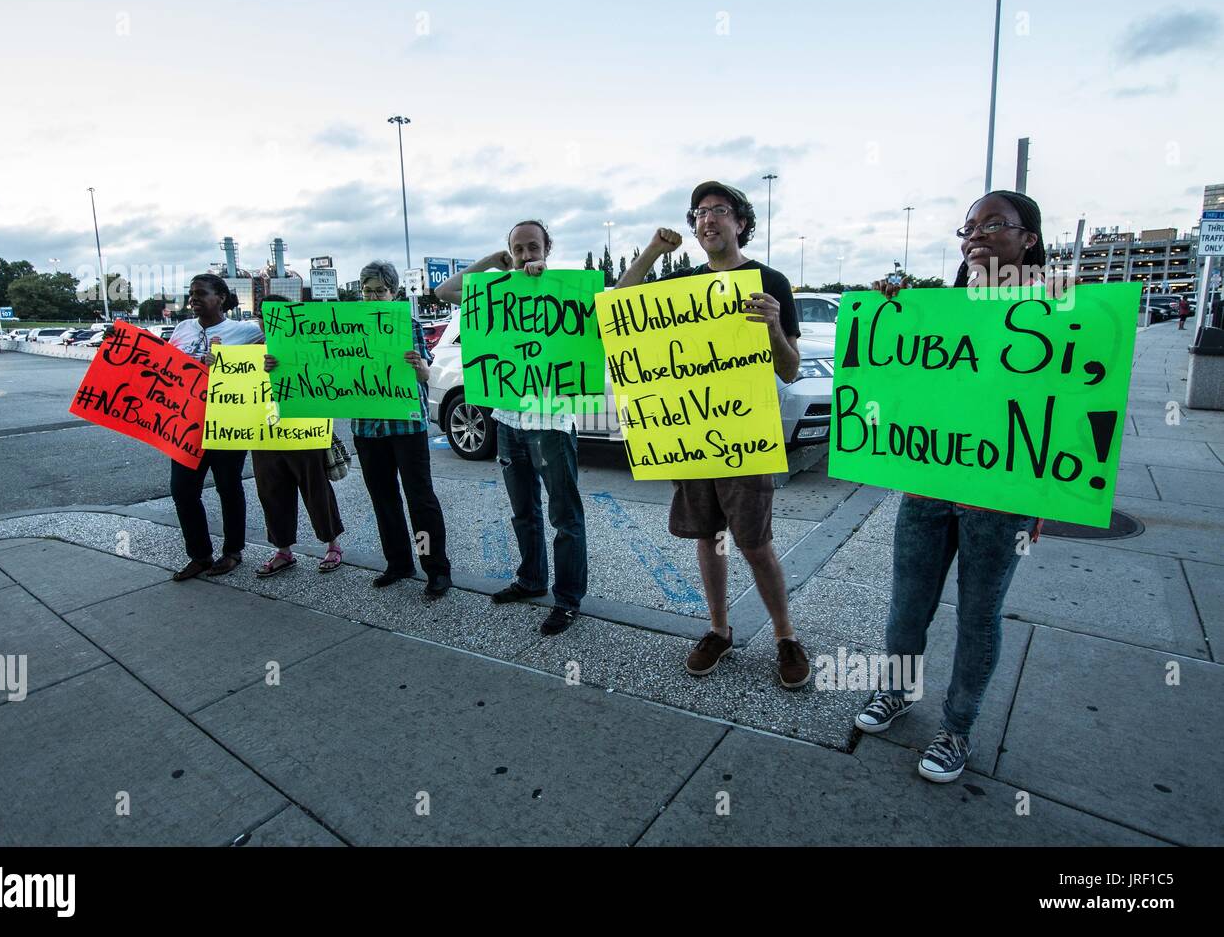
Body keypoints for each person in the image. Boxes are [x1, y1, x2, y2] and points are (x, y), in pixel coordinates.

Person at [854, 190, 1047, 783]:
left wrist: (1042, 502)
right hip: (928, 485)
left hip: (1000, 496)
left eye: (995, 224)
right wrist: (894, 312)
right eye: (969, 227)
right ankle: (897, 691)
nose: (977, 234)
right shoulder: (936, 311)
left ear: (1029, 239)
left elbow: (1065, 412)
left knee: (977, 618)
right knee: (907, 607)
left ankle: (957, 728)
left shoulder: (1058, 313)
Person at [616, 182, 810, 688]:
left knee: (756, 542)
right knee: (709, 537)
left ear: (741, 222)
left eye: (720, 211)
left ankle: (785, 636)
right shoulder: (683, 285)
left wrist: (770, 329)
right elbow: (618, 303)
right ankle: (718, 630)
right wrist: (655, 251)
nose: (709, 220)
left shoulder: (771, 281)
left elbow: (790, 371)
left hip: (744, 434)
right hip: (693, 436)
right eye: (700, 213)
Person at [437, 221, 588, 634]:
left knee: (564, 516)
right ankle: (531, 580)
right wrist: (492, 264)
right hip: (507, 422)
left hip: (551, 424)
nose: (525, 256)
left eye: (532, 247)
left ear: (548, 249)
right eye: (517, 249)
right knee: (524, 511)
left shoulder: (564, 290)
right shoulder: (496, 292)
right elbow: (444, 292)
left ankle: (568, 599)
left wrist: (543, 278)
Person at [346, 261, 452, 598]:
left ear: (394, 293)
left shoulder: (408, 324)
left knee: (419, 499)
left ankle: (433, 566)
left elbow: (425, 375)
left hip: (406, 424)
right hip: (366, 426)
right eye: (367, 291)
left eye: (380, 291)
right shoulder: (349, 326)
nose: (373, 297)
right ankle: (398, 562)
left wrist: (420, 366)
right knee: (383, 498)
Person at [166, 274, 265, 580]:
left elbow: (280, 345)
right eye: (191, 294)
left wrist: (228, 363)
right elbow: (165, 367)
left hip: (228, 422)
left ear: (221, 297)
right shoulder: (182, 329)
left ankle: (233, 551)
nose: (193, 299)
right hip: (187, 423)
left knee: (228, 487)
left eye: (201, 293)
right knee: (183, 490)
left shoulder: (244, 331)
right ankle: (199, 555)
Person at [258, 296, 345, 577]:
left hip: (304, 429)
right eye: (264, 316)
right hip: (264, 431)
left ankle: (332, 544)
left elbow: (328, 376)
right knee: (271, 491)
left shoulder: (308, 346)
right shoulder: (251, 351)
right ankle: (282, 550)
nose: (269, 321)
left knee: (316, 489)